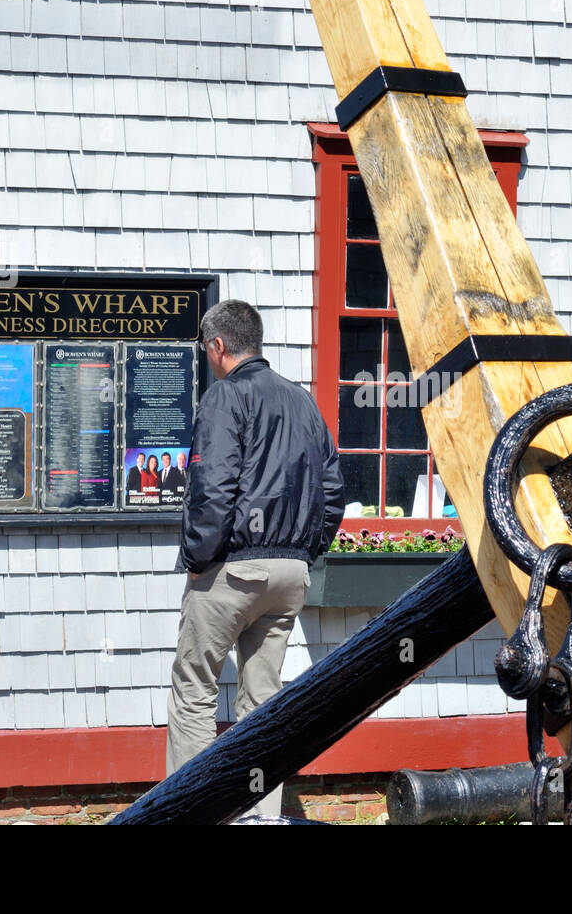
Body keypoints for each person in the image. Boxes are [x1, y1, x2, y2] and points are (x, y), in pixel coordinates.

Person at [167, 300, 344, 817]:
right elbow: (333, 489)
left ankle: (191, 812)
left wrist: (196, 556)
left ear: (218, 346)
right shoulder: (303, 401)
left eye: (206, 348)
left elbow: (213, 486)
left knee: (195, 688)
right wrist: (305, 552)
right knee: (263, 701)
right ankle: (261, 815)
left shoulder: (225, 397)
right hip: (290, 573)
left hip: (233, 568)